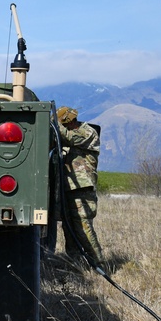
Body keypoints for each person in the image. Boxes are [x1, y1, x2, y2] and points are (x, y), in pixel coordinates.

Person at [56, 105, 104, 266]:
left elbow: (70, 138)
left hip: (82, 188)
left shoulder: (88, 132)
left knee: (83, 228)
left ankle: (98, 264)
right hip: (68, 188)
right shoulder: (67, 134)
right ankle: (75, 263)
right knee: (69, 229)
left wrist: (53, 124)